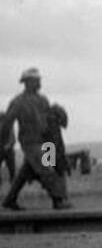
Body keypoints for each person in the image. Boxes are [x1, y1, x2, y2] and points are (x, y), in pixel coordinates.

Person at [2, 67, 70, 210]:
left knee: (28, 171)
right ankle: (58, 200)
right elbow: (7, 122)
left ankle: (10, 200)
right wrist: (2, 141)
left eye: (39, 80)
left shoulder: (43, 100)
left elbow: (49, 120)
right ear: (27, 82)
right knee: (46, 169)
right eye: (36, 80)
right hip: (30, 142)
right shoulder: (18, 101)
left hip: (46, 141)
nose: (39, 83)